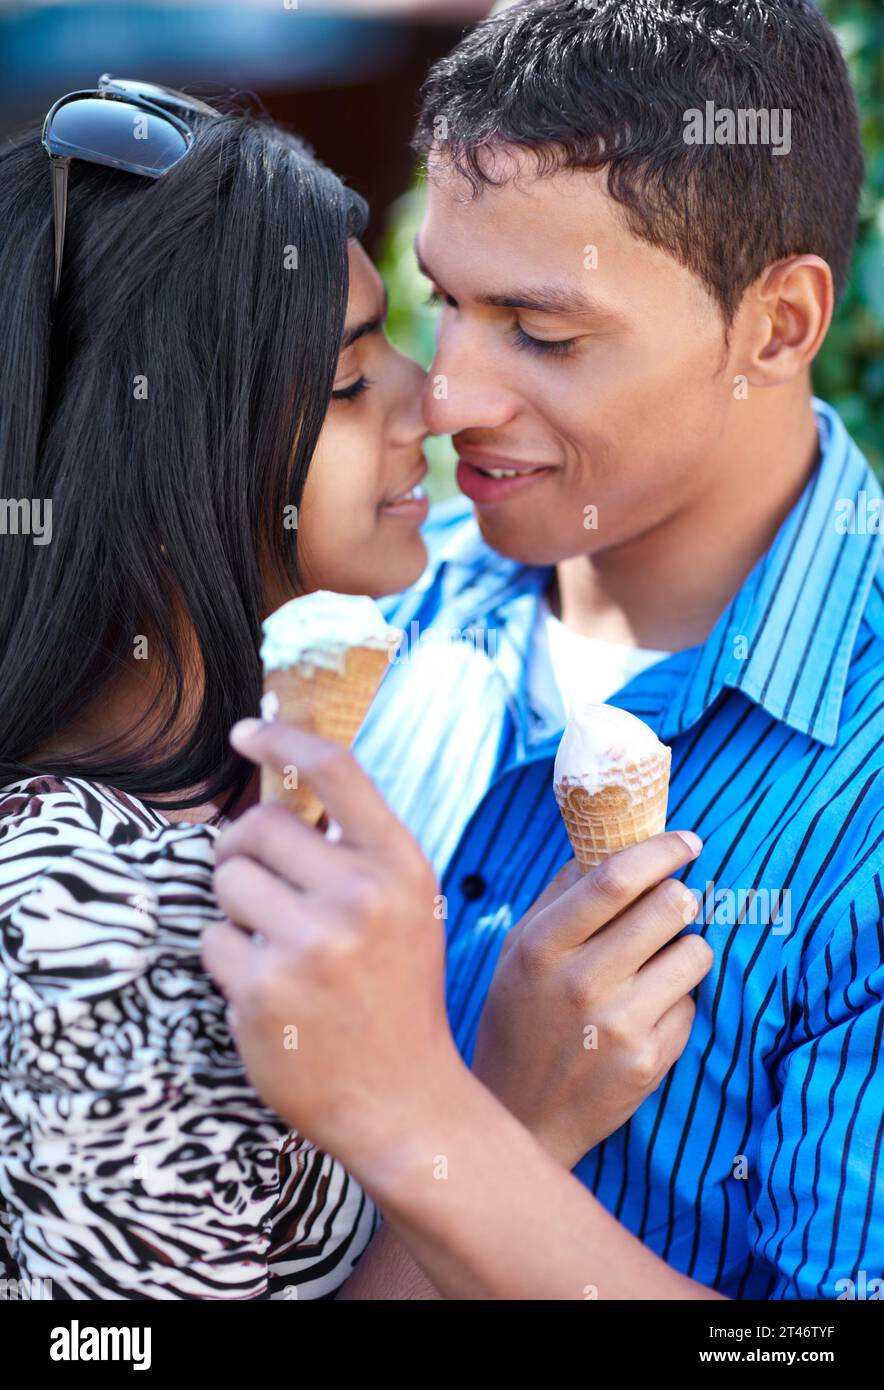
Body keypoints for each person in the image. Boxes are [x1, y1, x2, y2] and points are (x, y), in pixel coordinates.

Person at [207, 0, 884, 1299]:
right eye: (444, 303)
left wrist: (445, 1127)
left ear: (779, 325)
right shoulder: (363, 613)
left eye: (544, 333)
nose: (445, 395)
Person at [0, 80, 707, 1299]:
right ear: (161, 465)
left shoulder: (261, 768)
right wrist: (505, 1119)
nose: (428, 398)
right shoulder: (79, 908)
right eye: (344, 381)